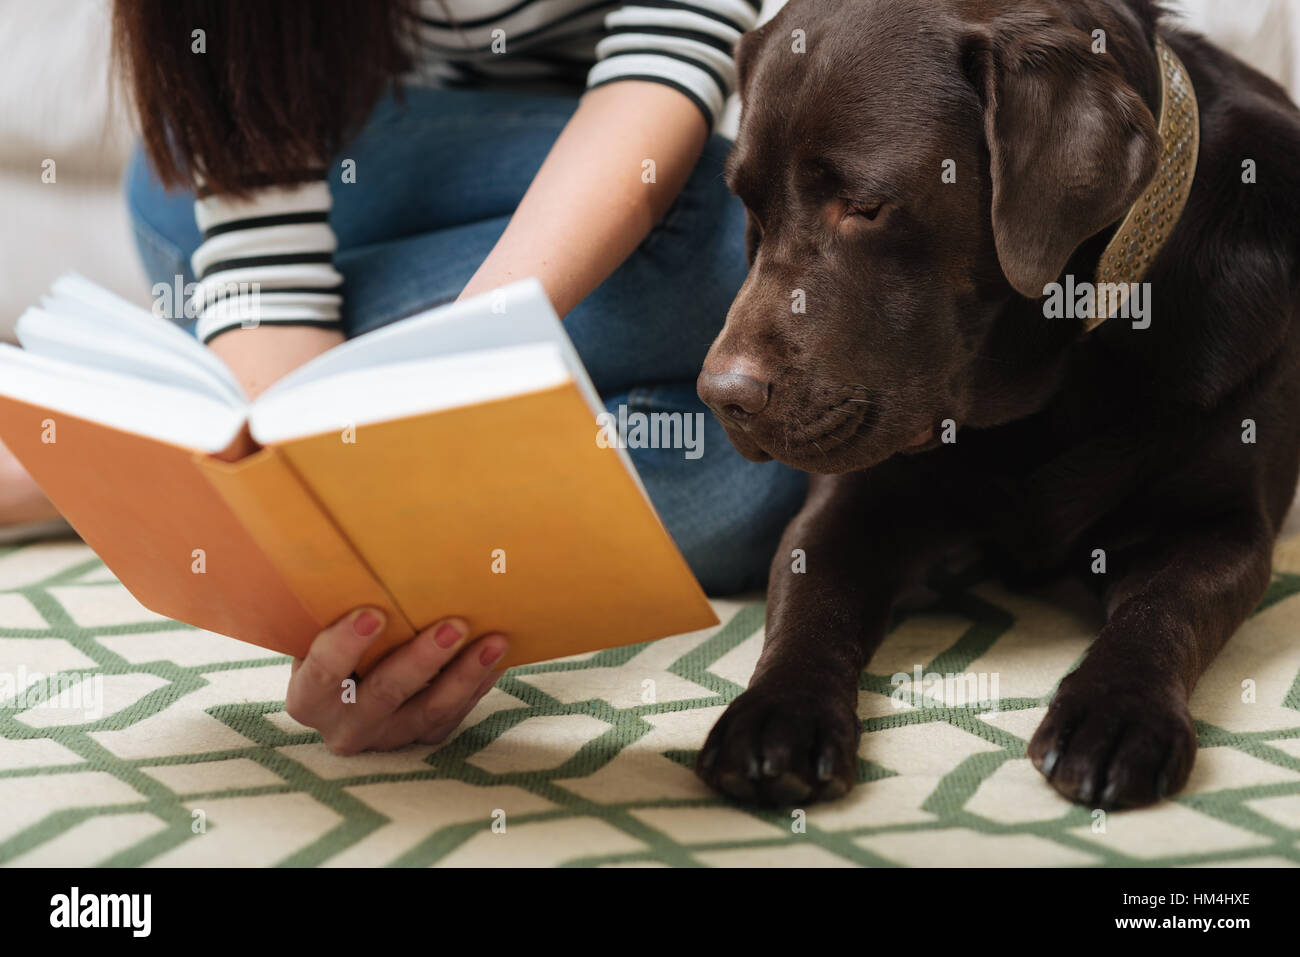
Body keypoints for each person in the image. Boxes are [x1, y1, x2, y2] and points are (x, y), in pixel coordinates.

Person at [4, 0, 807, 753]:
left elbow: (665, 53)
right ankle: (194, 449)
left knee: (755, 448)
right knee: (725, 316)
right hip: (281, 185)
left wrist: (447, 385)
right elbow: (264, 244)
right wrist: (349, 592)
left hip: (612, 171)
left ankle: (154, 461)